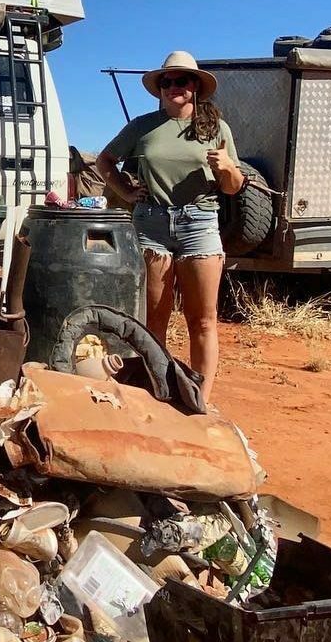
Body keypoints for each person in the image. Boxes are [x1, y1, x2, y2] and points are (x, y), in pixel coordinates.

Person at [96, 52, 244, 404]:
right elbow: (104, 161)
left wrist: (225, 166)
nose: (174, 87)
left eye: (182, 80)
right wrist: (126, 191)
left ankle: (200, 401)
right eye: (167, 82)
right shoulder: (142, 127)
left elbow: (233, 186)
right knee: (152, 321)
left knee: (203, 321)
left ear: (195, 86)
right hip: (151, 224)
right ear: (159, 88)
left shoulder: (216, 129)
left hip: (200, 222)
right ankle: (157, 393)